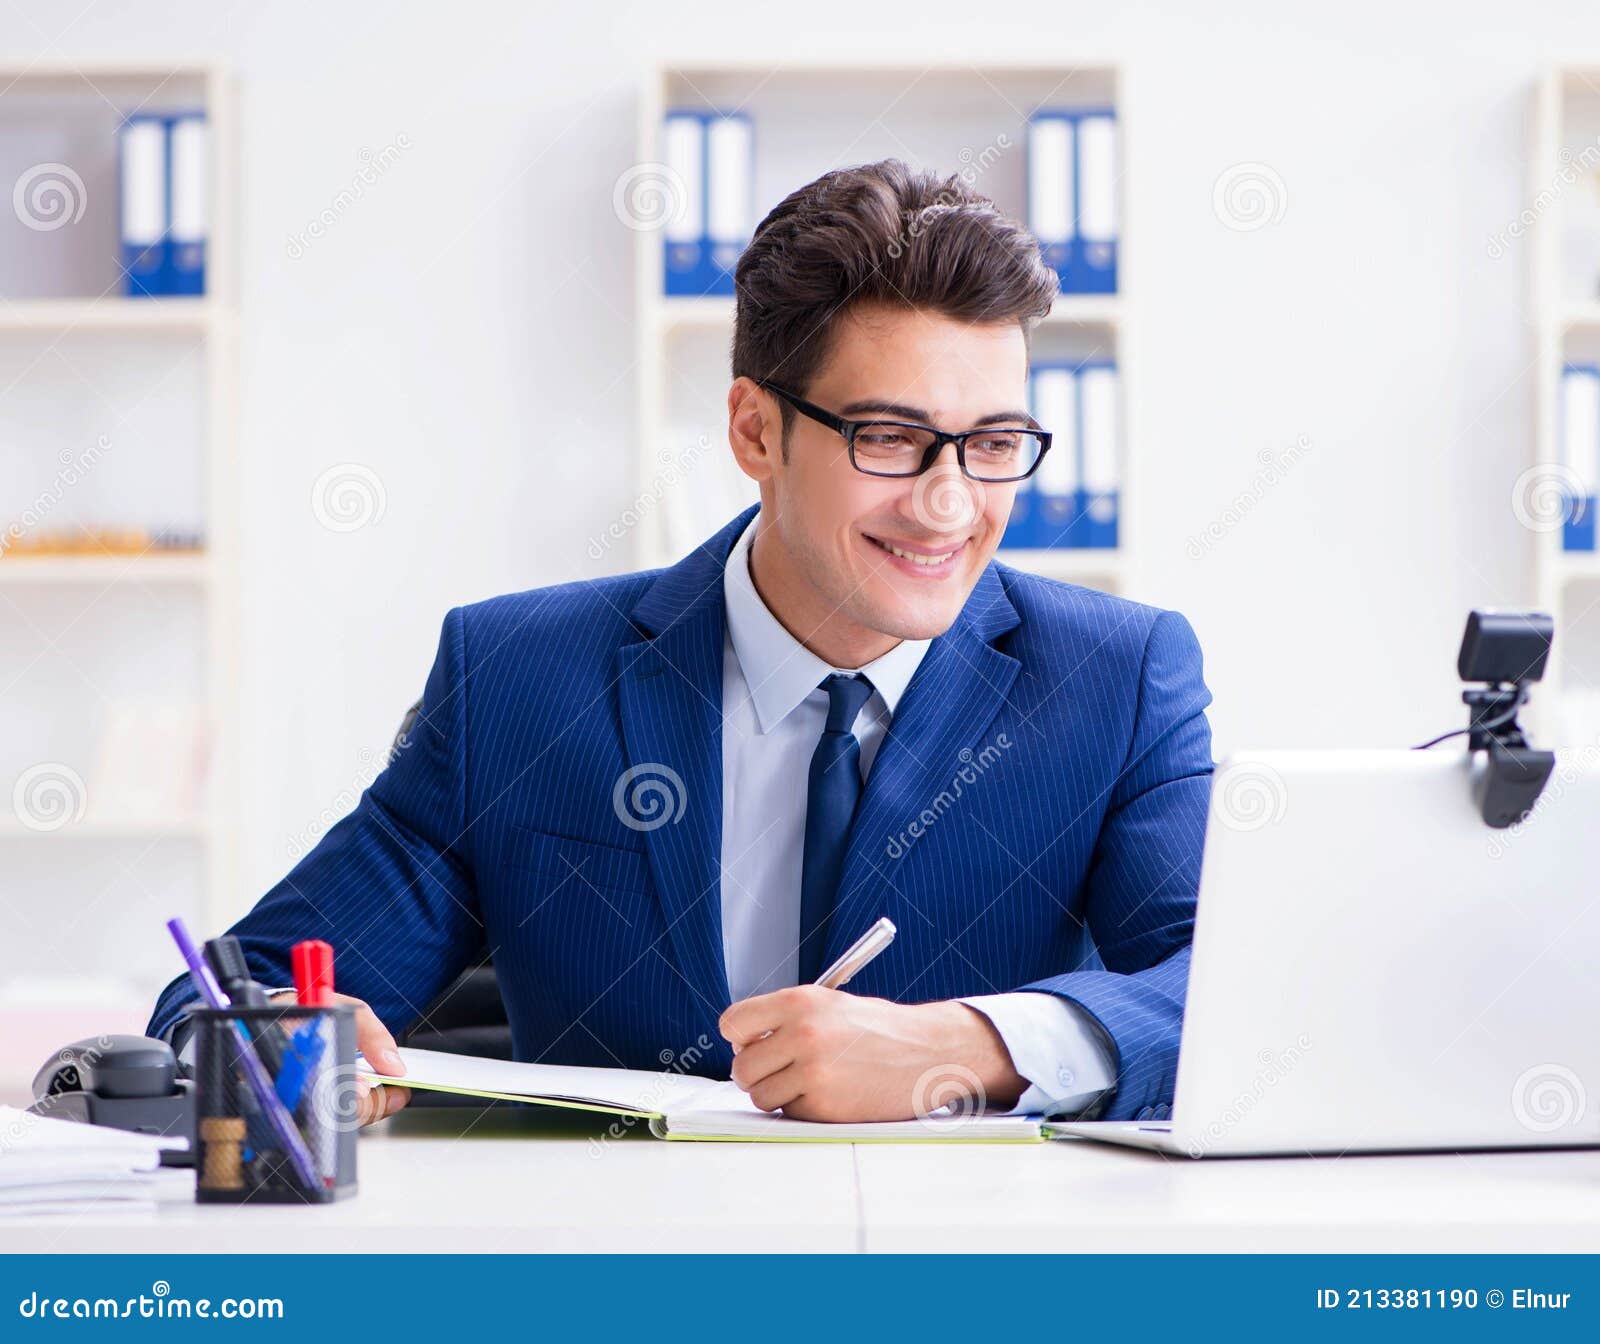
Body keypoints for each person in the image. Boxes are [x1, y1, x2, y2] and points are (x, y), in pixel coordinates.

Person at [148, 159, 1214, 1129]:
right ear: (755, 430)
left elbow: (1223, 991)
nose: (949, 503)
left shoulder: (1115, 681)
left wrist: (970, 1047)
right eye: (889, 439)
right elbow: (222, 997)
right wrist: (277, 1039)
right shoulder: (517, 678)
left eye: (993, 443)